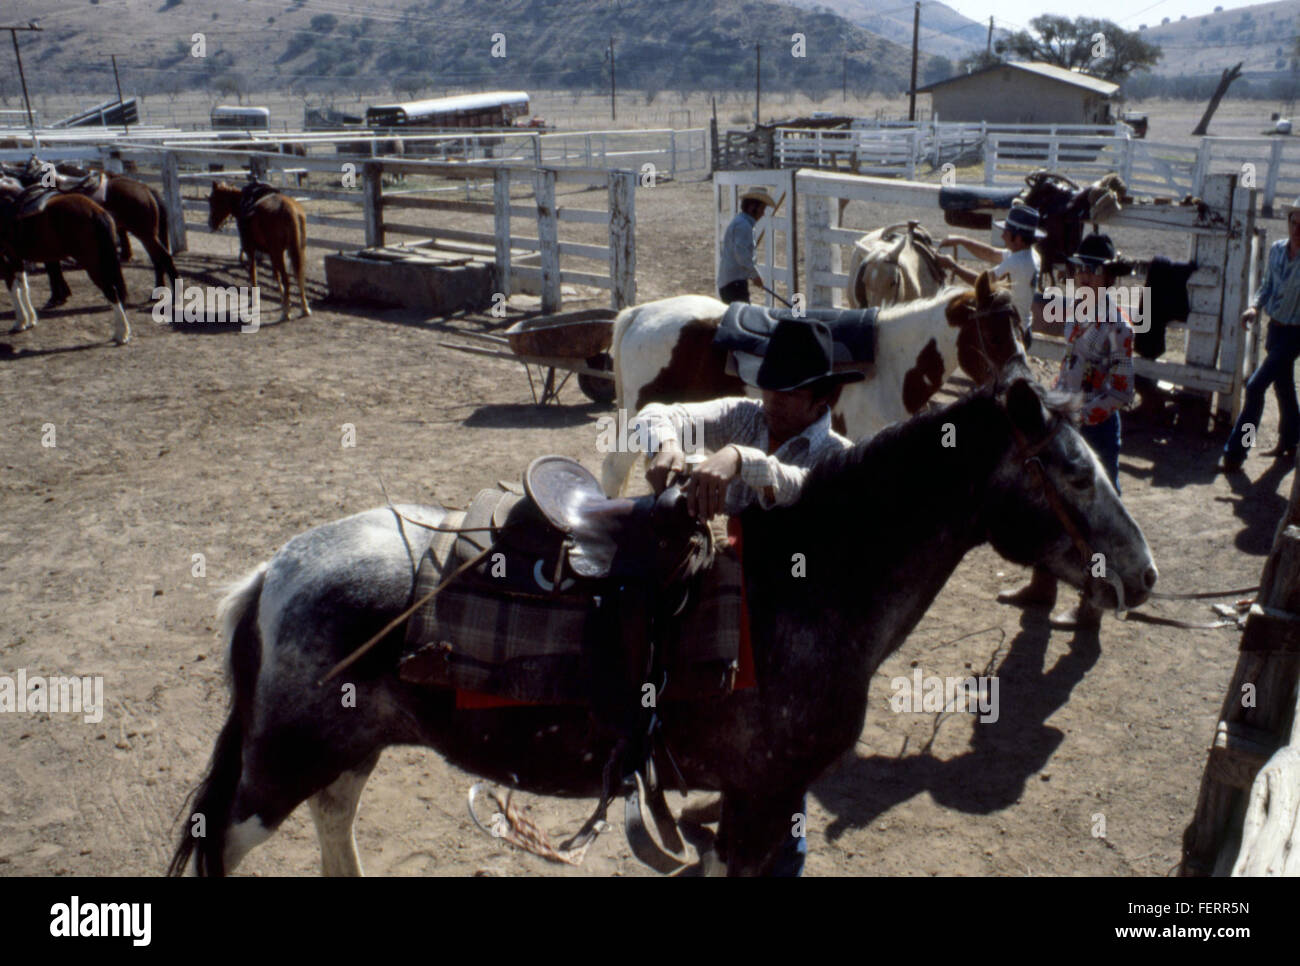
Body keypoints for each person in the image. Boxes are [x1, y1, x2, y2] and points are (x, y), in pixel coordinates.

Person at [634, 318, 865, 876]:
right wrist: (667, 442)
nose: (771, 402)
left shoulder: (840, 459)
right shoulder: (750, 415)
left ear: (824, 399)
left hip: (791, 643)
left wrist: (740, 459)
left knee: (781, 773)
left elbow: (794, 484)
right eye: (768, 386)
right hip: (731, 619)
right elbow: (656, 413)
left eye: (788, 393)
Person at [998, 233, 1135, 630]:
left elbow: (1122, 393)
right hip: (1066, 424)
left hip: (1098, 431)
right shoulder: (1077, 314)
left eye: (1090, 271)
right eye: (1079, 270)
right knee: (1050, 499)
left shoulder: (1119, 327)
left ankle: (1092, 605)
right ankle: (1043, 586)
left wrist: (1080, 411)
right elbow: (1070, 369)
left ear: (1106, 277)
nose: (1082, 277)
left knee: (1095, 517)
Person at [1220, 197, 1300, 473]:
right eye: (1294, 222)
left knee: (1255, 386)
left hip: (1296, 333)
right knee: (1284, 387)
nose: (1297, 229)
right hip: (1275, 328)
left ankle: (1235, 453)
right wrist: (1254, 307)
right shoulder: (1278, 250)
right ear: (1288, 222)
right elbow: (1266, 285)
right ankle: (1292, 442)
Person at [936, 204, 1045, 345]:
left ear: (1018, 238)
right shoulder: (1030, 255)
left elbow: (982, 282)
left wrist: (953, 266)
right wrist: (961, 240)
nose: (1002, 235)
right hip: (1023, 329)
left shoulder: (1017, 261)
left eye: (1006, 231)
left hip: (1011, 335)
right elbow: (991, 253)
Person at [717, 189, 776, 304]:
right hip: (734, 283)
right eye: (762, 209)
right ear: (752, 207)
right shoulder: (743, 225)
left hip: (733, 281)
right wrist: (755, 275)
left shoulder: (742, 223)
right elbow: (742, 255)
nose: (762, 213)